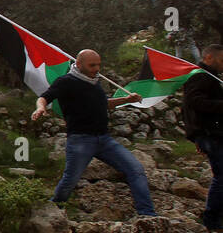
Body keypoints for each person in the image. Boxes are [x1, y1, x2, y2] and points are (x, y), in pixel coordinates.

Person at [30, 49, 155, 216]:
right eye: (92, 65)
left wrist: (126, 100)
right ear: (79, 64)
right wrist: (40, 108)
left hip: (104, 139)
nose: (96, 69)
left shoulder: (95, 82)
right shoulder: (66, 81)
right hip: (80, 140)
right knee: (70, 180)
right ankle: (53, 209)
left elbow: (103, 104)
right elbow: (44, 97)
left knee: (135, 169)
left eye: (98, 65)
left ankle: (147, 214)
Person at [183, 44, 223, 231]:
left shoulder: (211, 77)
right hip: (209, 133)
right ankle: (212, 219)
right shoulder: (199, 76)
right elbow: (194, 102)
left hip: (213, 133)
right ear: (208, 57)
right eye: (221, 60)